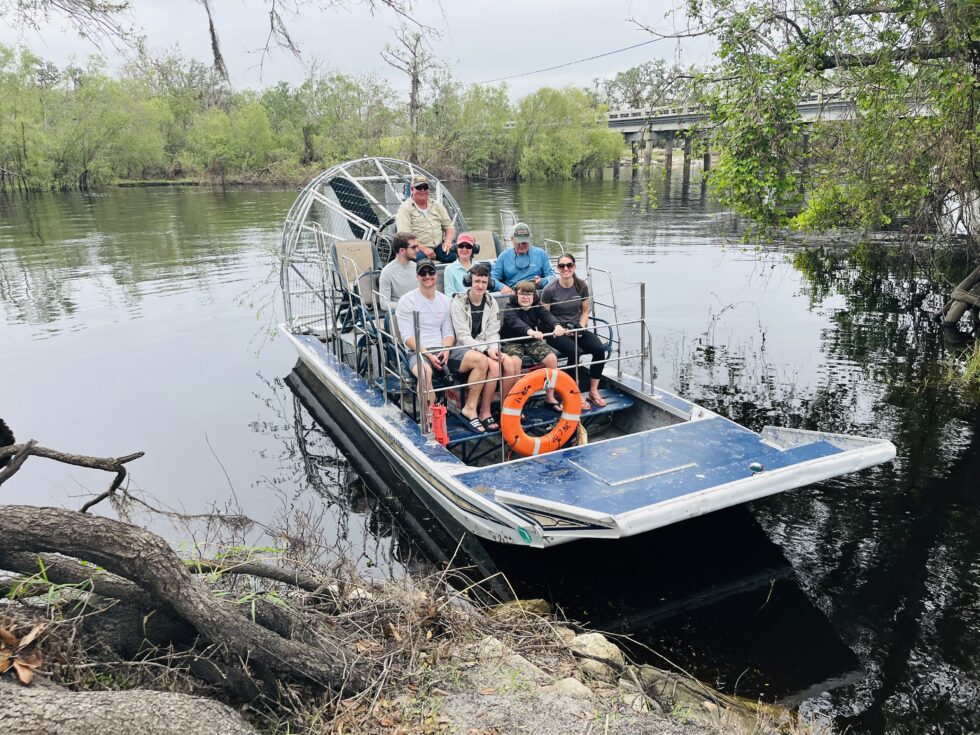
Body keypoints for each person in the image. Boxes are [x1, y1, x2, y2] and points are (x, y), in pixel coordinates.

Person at [396, 259, 492, 432]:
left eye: (430, 272)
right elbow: (407, 337)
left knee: (481, 361)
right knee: (425, 373)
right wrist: (427, 354)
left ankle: (470, 409)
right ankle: (429, 421)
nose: (427, 276)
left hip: (443, 349)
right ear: (417, 276)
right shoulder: (406, 301)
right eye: (423, 273)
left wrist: (446, 350)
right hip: (417, 351)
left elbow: (448, 332)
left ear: (436, 274)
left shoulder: (445, 300)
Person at [451, 263, 521, 430]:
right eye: (476, 281)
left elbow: (493, 332)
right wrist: (485, 349)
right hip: (464, 348)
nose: (480, 285)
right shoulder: (458, 302)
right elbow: (463, 337)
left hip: (486, 345)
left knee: (509, 363)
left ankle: (506, 408)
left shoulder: (491, 302)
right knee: (494, 368)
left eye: (484, 282)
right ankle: (484, 412)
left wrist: (493, 348)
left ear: (488, 283)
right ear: (470, 281)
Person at [542, 253, 606, 409]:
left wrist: (581, 328)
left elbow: (585, 311)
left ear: (574, 267)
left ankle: (593, 391)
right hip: (555, 331)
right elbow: (544, 315)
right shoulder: (549, 289)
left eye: (569, 265)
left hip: (576, 328)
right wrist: (559, 328)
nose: (566, 269)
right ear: (557, 268)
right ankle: (572, 392)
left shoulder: (581, 286)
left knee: (599, 350)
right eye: (562, 266)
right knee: (574, 352)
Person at [499, 280, 567, 411]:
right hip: (512, 340)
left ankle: (550, 397)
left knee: (552, 359)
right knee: (515, 364)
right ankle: (511, 403)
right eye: (522, 294)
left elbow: (547, 316)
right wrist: (531, 332)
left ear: (534, 296)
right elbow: (515, 322)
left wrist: (557, 325)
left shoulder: (537, 306)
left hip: (531, 340)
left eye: (529, 294)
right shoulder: (509, 308)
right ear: (516, 295)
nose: (525, 297)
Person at [395, 175, 456, 263]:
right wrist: (424, 249)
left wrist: (448, 242)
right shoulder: (404, 208)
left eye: (425, 187)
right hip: (415, 248)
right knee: (423, 262)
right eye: (419, 187)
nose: (422, 190)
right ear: (412, 189)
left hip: (438, 247)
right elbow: (404, 237)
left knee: (454, 256)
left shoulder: (437, 205)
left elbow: (449, 227)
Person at [491, 222, 556, 294]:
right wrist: (501, 287)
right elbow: (492, 278)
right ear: (512, 239)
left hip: (535, 292)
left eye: (524, 242)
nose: (522, 245)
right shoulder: (503, 256)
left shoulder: (541, 254)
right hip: (514, 293)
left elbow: (552, 276)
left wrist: (543, 281)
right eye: (519, 242)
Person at [378, 232, 420, 309]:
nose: (417, 250)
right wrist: (408, 307)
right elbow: (384, 304)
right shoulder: (387, 272)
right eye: (414, 247)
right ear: (402, 251)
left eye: (417, 246)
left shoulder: (418, 267)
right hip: (401, 315)